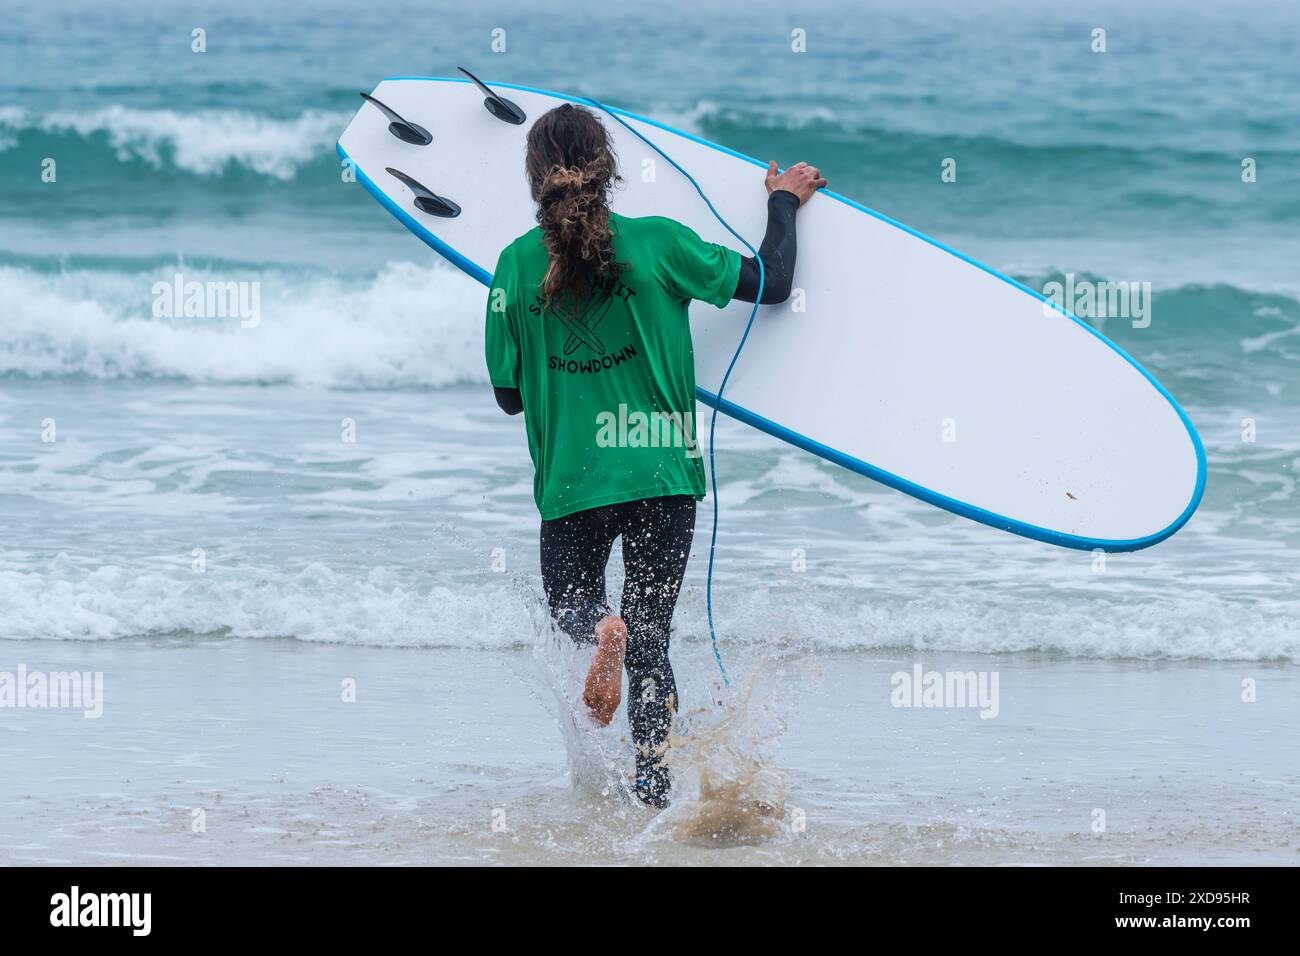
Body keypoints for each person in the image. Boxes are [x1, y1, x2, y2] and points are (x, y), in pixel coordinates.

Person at [485, 102, 823, 807]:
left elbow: (509, 395)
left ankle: (597, 626)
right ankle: (653, 792)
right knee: (652, 642)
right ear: (608, 170)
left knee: (575, 607)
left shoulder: (513, 268)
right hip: (661, 472)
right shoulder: (662, 244)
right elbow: (772, 283)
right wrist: (784, 202)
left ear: (535, 177)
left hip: (576, 478)